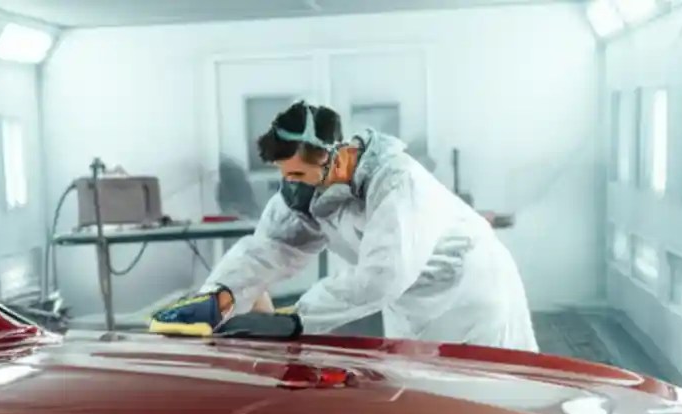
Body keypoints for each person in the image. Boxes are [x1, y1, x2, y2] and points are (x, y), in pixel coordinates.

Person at [149, 101, 538, 352]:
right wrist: (219, 295)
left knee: (486, 402)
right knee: (424, 401)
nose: (292, 183)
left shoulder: (397, 182)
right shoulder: (315, 187)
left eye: (300, 172)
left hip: (471, 294)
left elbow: (382, 276)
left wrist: (295, 317)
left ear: (336, 158)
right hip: (408, 300)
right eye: (285, 174)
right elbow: (270, 246)